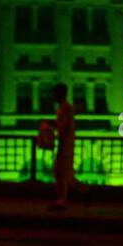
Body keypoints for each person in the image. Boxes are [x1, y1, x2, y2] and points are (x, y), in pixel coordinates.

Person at [39, 82, 85, 211]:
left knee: (61, 173)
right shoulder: (64, 108)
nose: (52, 96)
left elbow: (63, 126)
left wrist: (51, 125)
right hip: (65, 144)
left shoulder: (65, 108)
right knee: (66, 174)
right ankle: (83, 193)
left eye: (54, 93)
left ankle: (62, 201)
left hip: (65, 144)